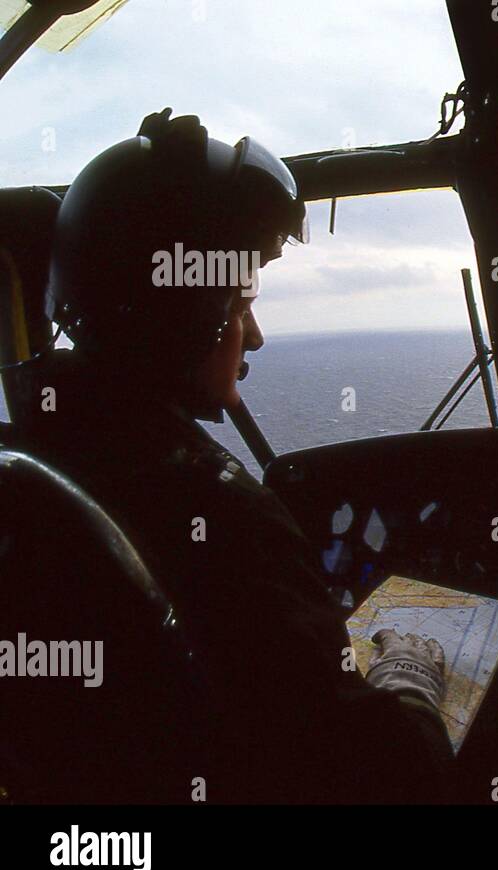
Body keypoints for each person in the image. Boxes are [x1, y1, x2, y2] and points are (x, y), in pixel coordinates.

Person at [22, 109, 456, 803]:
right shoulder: (214, 516)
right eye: (240, 300)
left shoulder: (36, 459)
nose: (252, 335)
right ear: (184, 312)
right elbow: (392, 776)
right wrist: (407, 674)